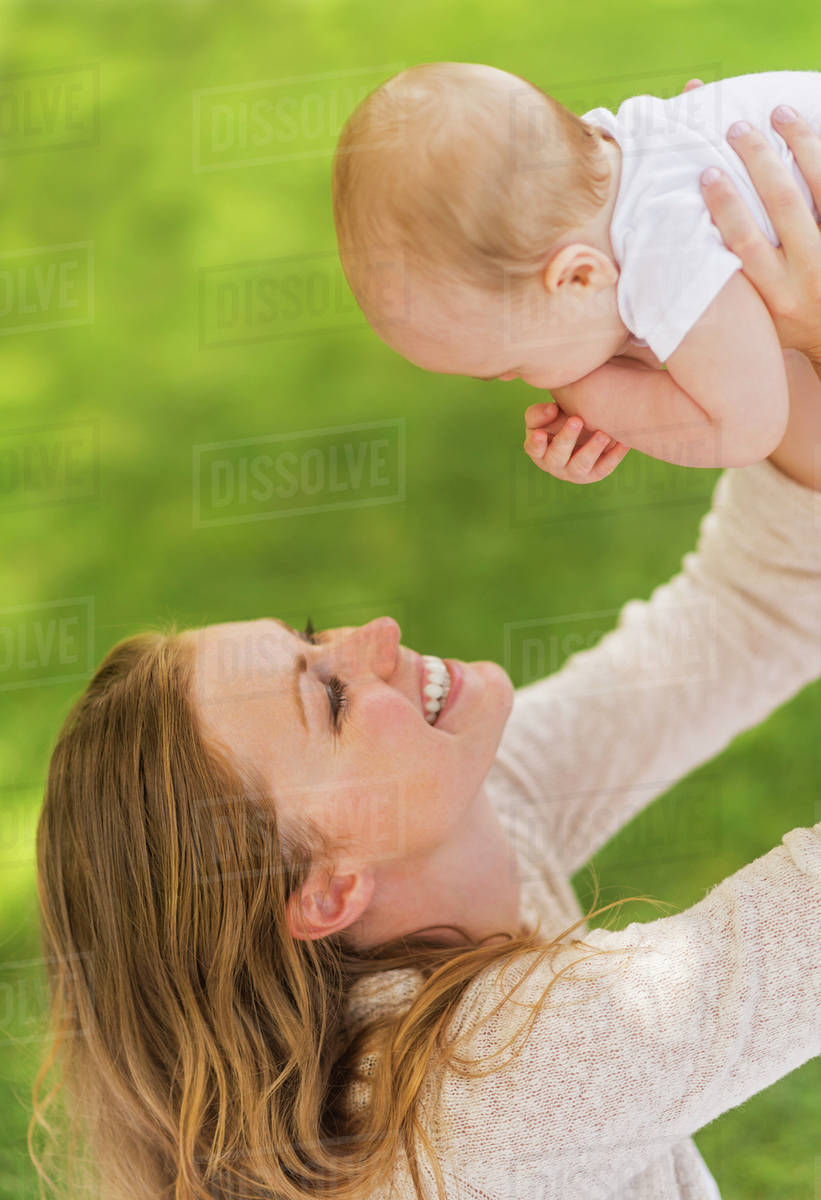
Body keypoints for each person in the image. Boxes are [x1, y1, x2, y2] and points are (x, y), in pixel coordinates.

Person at [29, 114, 821, 1200]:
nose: (375, 638)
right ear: (328, 887)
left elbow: (744, 616)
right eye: (330, 697)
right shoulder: (487, 1088)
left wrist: (775, 378)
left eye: (313, 640)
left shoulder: (445, 848)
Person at [331, 64, 821, 475]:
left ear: (578, 277)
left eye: (512, 367)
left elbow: (742, 428)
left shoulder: (666, 247)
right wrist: (633, 398)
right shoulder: (608, 169)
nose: (521, 382)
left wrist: (594, 396)